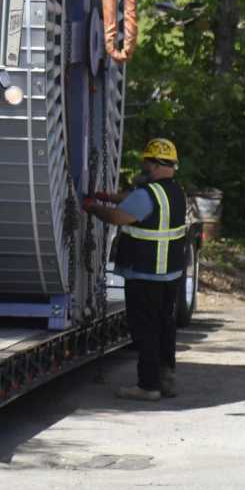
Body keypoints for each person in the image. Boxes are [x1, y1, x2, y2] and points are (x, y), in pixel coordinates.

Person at [83, 138, 188, 401]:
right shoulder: (175, 191)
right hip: (170, 274)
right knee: (165, 327)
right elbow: (133, 199)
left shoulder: (147, 194)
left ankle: (147, 386)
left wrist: (93, 208)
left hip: (145, 273)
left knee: (145, 330)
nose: (145, 168)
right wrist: (109, 197)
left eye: (147, 163)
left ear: (155, 164)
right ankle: (166, 379)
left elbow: (119, 216)